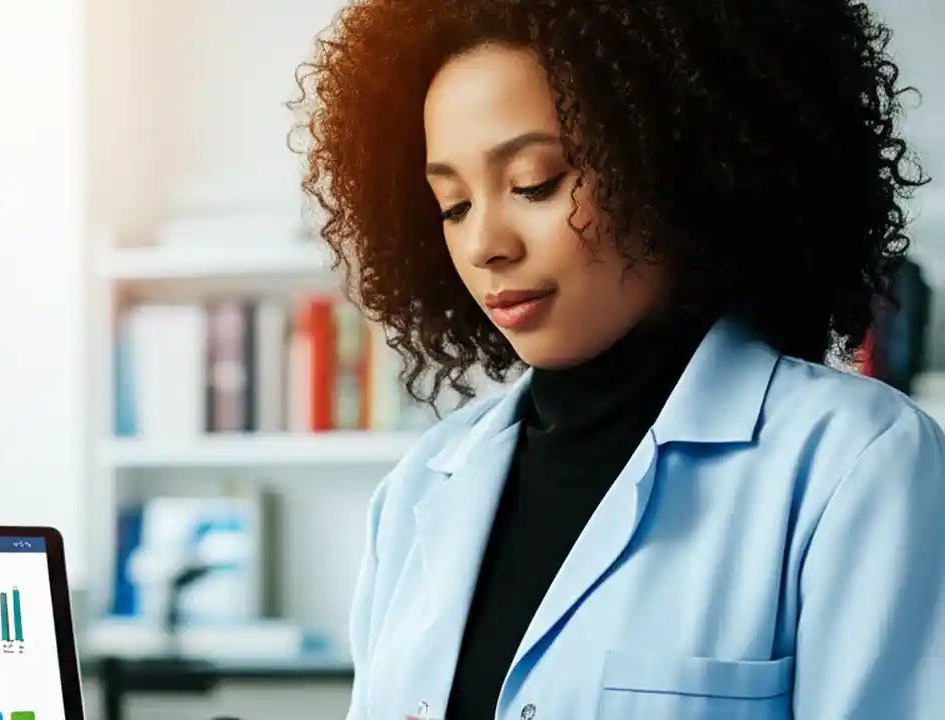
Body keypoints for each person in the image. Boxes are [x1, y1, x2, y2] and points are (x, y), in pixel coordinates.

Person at [288, 1, 944, 718]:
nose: (485, 245)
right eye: (452, 205)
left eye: (534, 182)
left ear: (677, 163)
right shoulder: (421, 488)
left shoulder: (855, 462)